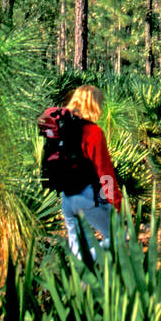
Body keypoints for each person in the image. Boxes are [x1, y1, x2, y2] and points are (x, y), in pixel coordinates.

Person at [56, 84, 121, 261]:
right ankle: (92, 264)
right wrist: (117, 203)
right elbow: (104, 172)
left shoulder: (63, 130)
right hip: (89, 197)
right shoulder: (93, 132)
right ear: (94, 105)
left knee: (78, 251)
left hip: (68, 199)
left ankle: (80, 282)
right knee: (118, 238)